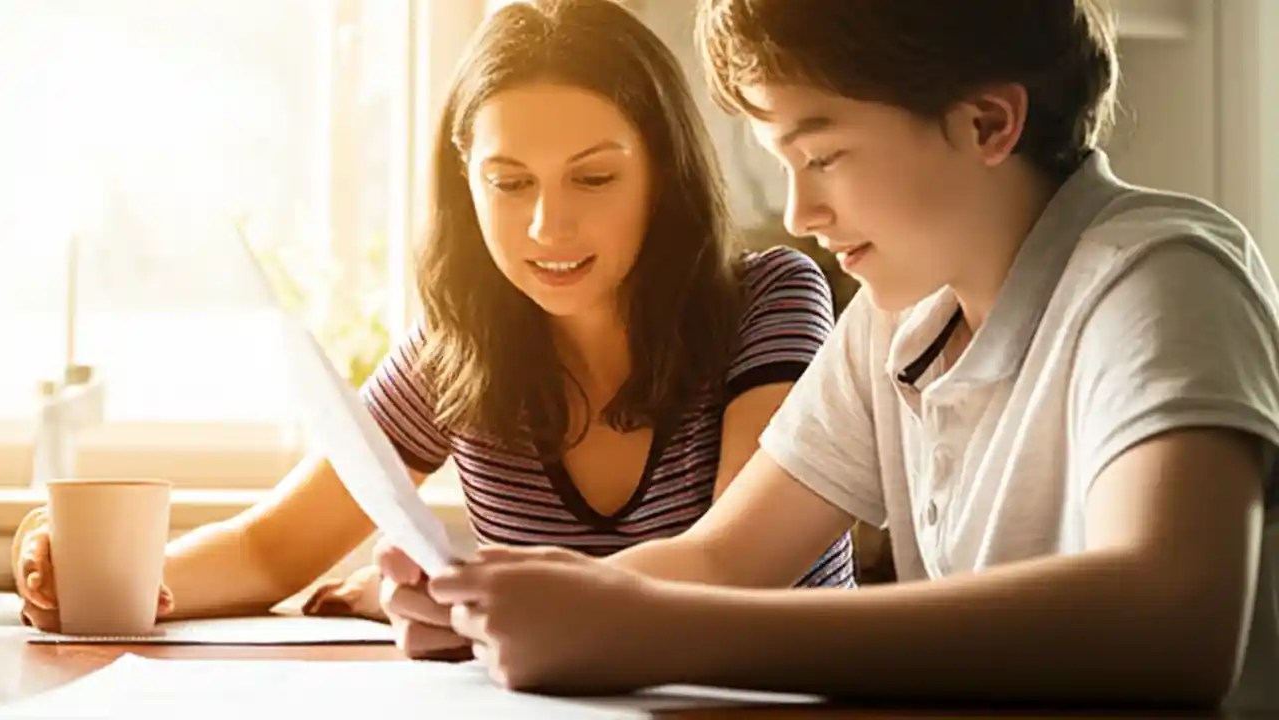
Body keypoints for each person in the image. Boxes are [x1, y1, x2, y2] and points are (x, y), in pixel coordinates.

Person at [385, 0, 1279, 709]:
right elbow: (720, 562)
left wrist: (653, 633)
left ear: (986, 124)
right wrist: (501, 606)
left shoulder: (1157, 274)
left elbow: (1173, 620)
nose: (802, 212)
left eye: (824, 156)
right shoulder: (899, 319)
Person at [10, 0, 854, 650]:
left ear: (662, 176)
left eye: (593, 180)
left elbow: (734, 574)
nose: (546, 229)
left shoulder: (770, 298)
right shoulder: (459, 351)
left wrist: (461, 599)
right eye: (510, 182)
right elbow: (273, 549)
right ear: (467, 185)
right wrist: (109, 578)